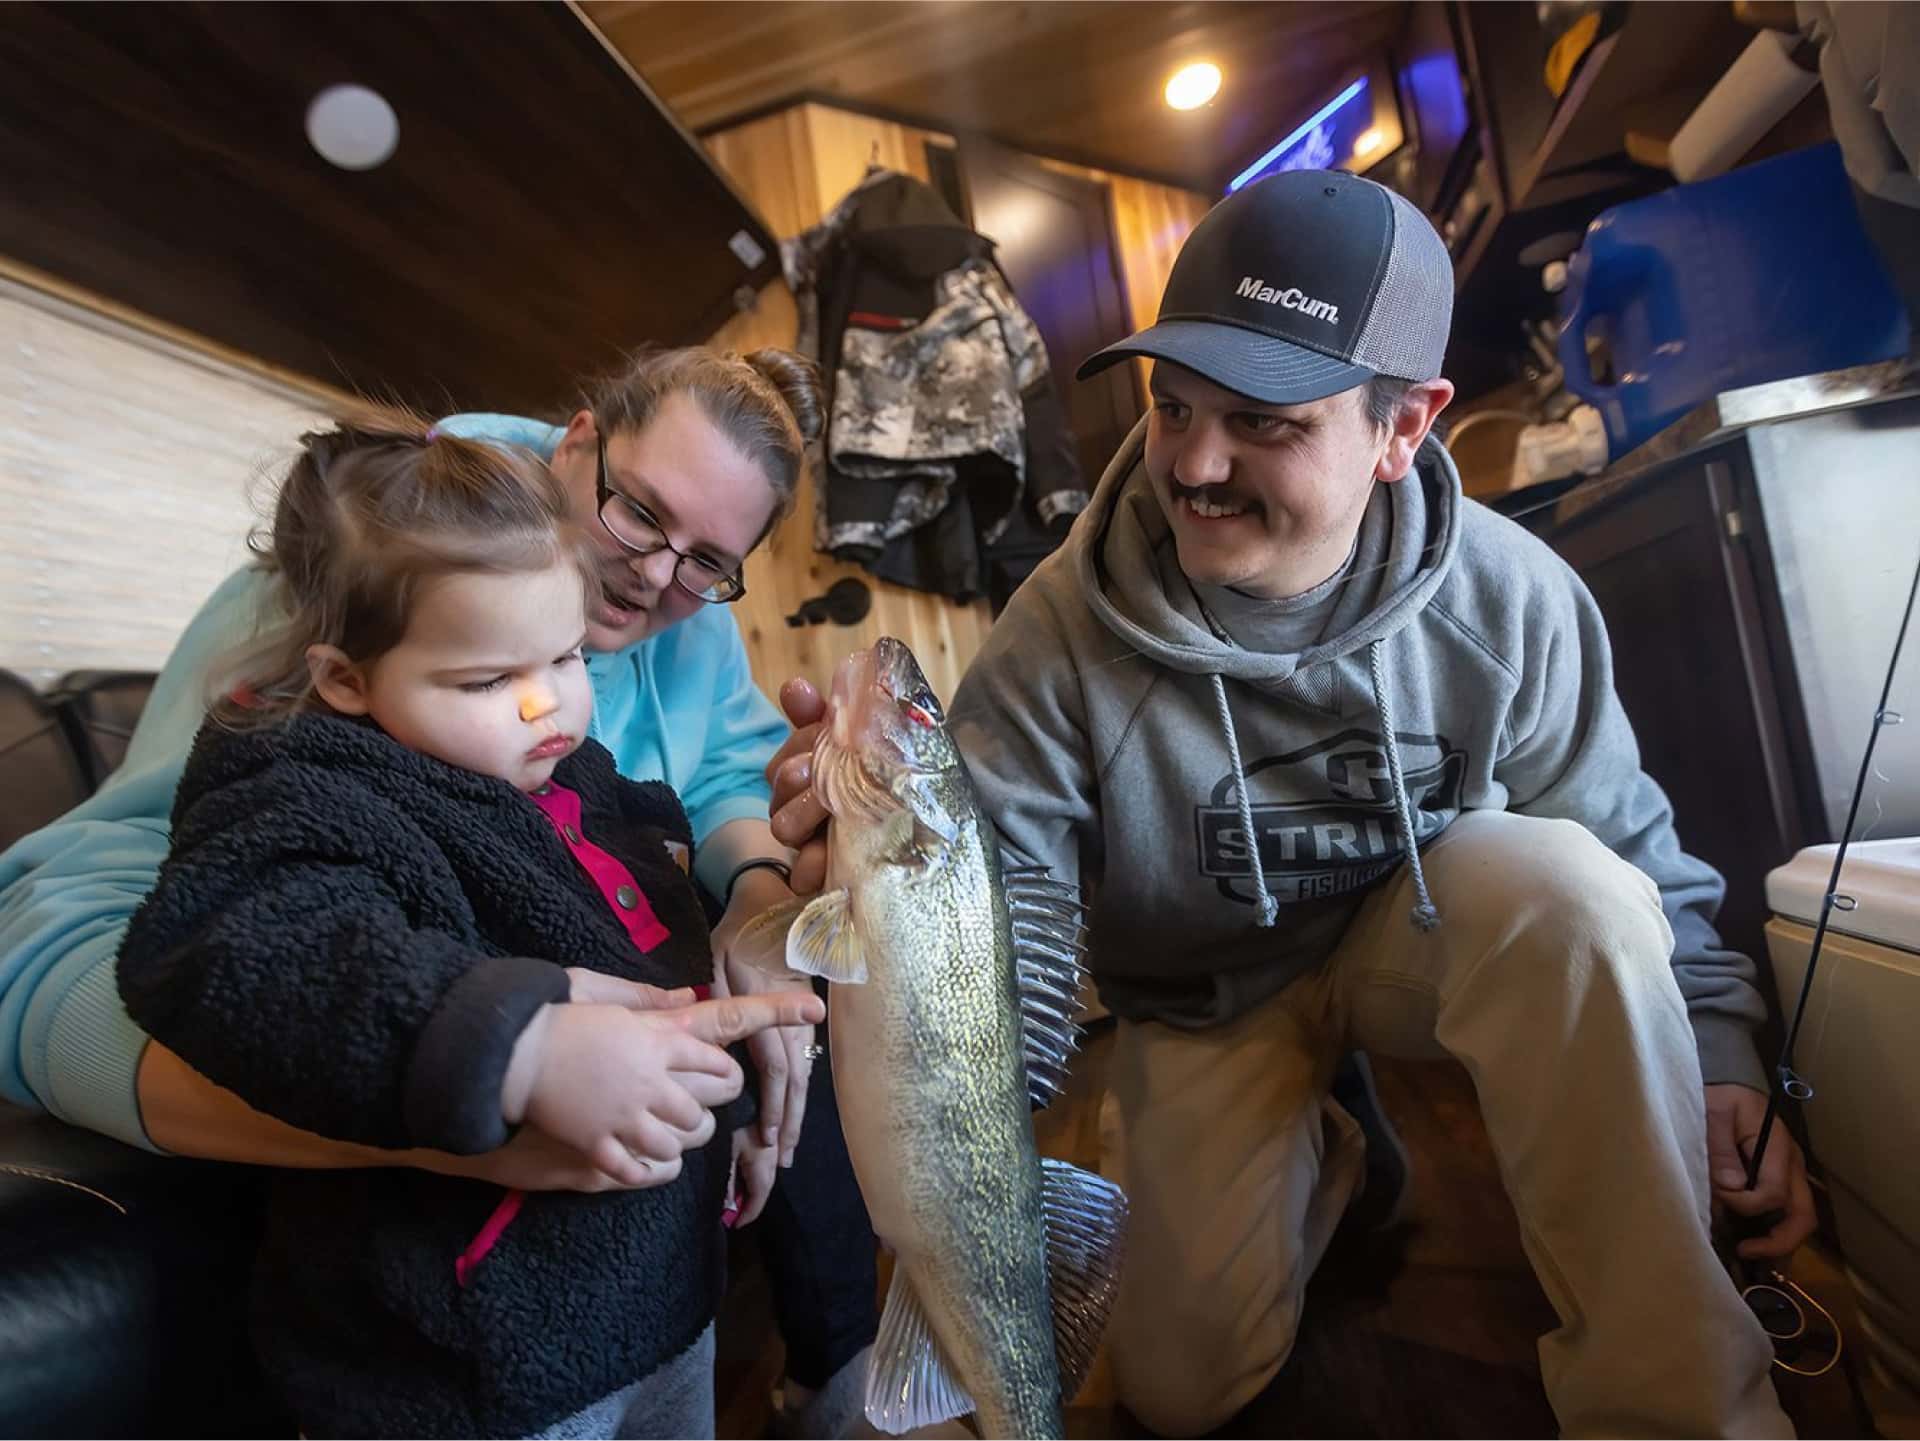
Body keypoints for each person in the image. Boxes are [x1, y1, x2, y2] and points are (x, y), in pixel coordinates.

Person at [770, 170, 1812, 1438]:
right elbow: (985, 915)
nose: (1197, 465)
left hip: (1433, 937)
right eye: (1174, 407)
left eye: (1263, 421)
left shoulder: (1512, 599)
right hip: (1209, 997)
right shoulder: (1056, 636)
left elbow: (1626, 837)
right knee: (1180, 1387)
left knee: (1575, 893)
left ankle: (1686, 1413)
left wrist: (1719, 1055)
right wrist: (857, 858)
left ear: (1402, 426)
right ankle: (1332, 1151)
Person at [0, 347, 879, 1432]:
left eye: (707, 561)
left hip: (650, 1292)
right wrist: (488, 1086)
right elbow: (177, 931)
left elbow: (715, 780)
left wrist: (754, 888)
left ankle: (847, 1380)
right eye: (641, 513)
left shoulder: (689, 631)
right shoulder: (362, 579)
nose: (660, 578)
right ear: (578, 439)